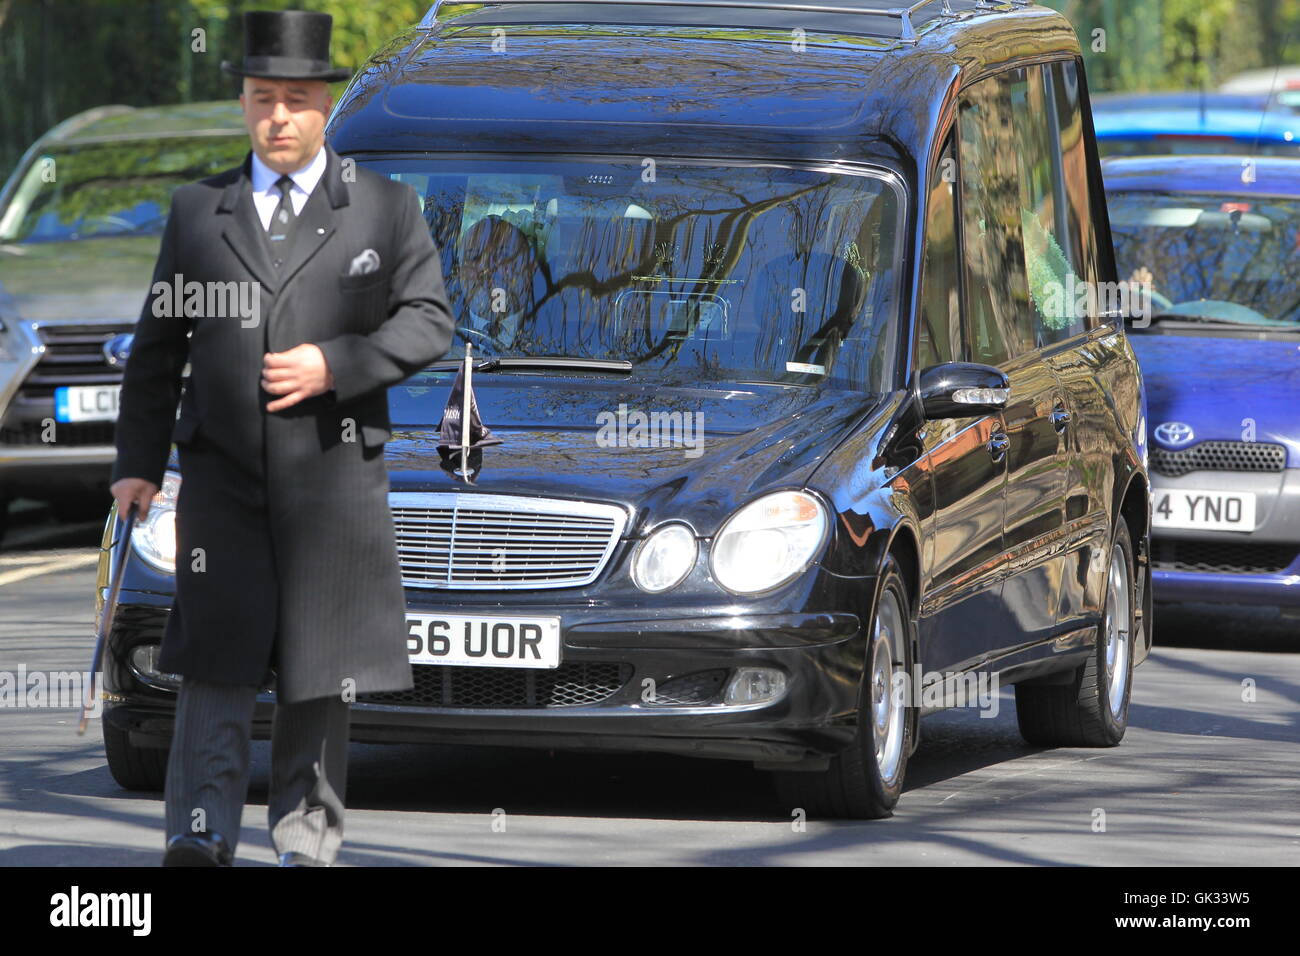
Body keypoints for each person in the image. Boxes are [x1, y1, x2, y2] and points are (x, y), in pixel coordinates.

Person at [109, 9, 454, 866]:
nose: (279, 117)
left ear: (322, 109)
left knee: (317, 675)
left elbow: (429, 325)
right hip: (222, 490)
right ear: (244, 105)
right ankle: (198, 837)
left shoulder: (384, 208)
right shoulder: (197, 214)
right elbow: (156, 357)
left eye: (297, 100)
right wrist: (134, 470)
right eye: (264, 99)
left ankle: (307, 842)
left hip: (333, 488)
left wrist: (333, 365)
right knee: (215, 669)